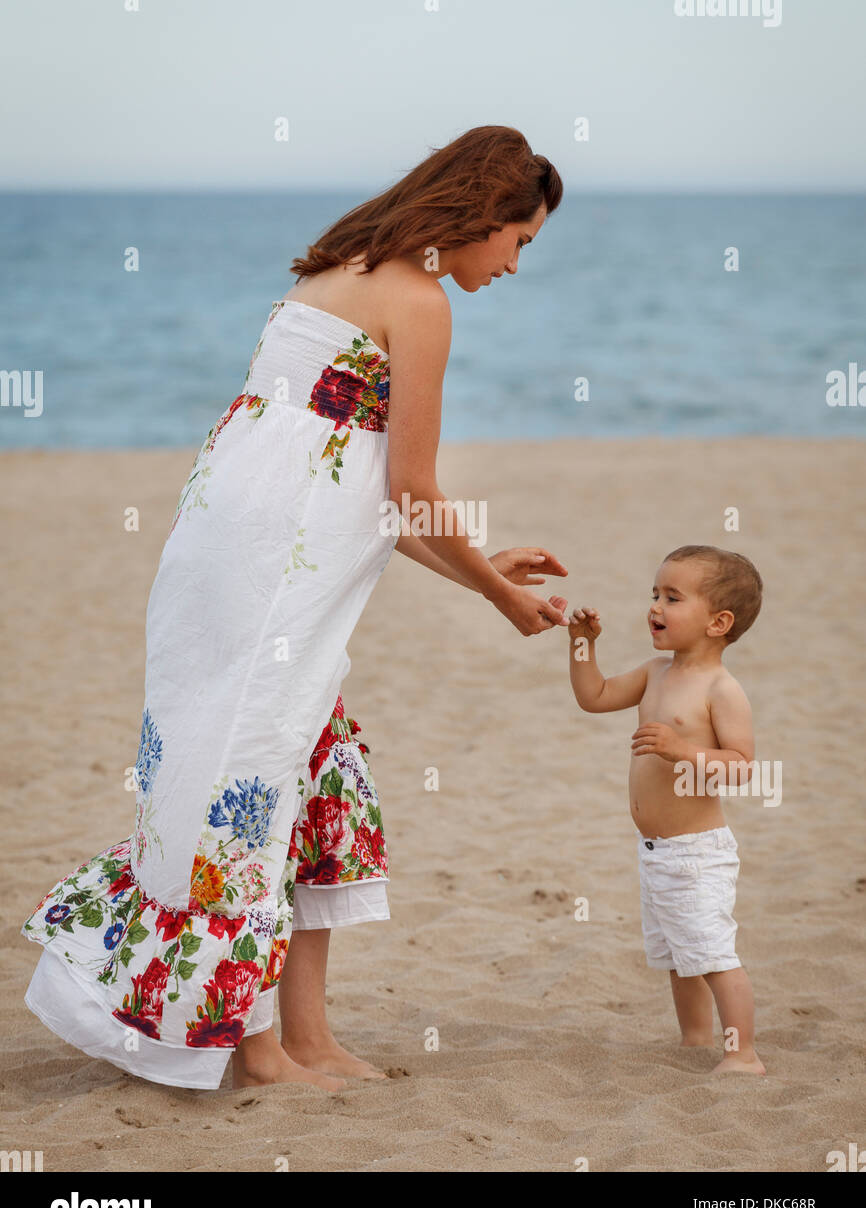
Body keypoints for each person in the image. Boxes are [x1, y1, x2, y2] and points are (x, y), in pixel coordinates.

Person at [21, 124, 570, 1091]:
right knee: (259, 779)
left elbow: (345, 488)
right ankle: (260, 1047)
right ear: (483, 218)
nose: (516, 266)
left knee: (310, 776)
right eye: (519, 241)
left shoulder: (336, 273)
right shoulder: (422, 301)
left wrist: (486, 567)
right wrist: (498, 596)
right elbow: (409, 485)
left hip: (224, 554)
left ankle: (303, 1038)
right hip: (272, 574)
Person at [567, 545, 766, 1074]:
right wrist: (583, 647)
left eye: (672, 598)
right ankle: (697, 1037)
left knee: (712, 954)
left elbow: (743, 766)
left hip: (697, 852)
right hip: (656, 851)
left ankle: (741, 1052)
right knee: (680, 955)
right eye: (654, 594)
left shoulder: (721, 690)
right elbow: (596, 696)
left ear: (718, 622)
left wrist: (683, 751)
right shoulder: (655, 672)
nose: (655, 606)